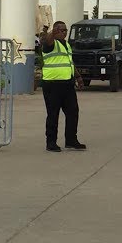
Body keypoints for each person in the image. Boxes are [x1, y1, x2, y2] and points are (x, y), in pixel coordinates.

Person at [37, 21, 87, 152]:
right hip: (52, 84)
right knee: (53, 114)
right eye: (61, 30)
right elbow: (46, 41)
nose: (64, 33)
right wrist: (51, 33)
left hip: (67, 84)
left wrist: (78, 77)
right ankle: (51, 143)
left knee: (73, 112)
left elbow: (70, 63)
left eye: (66, 30)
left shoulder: (66, 45)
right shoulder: (50, 44)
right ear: (55, 31)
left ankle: (71, 140)